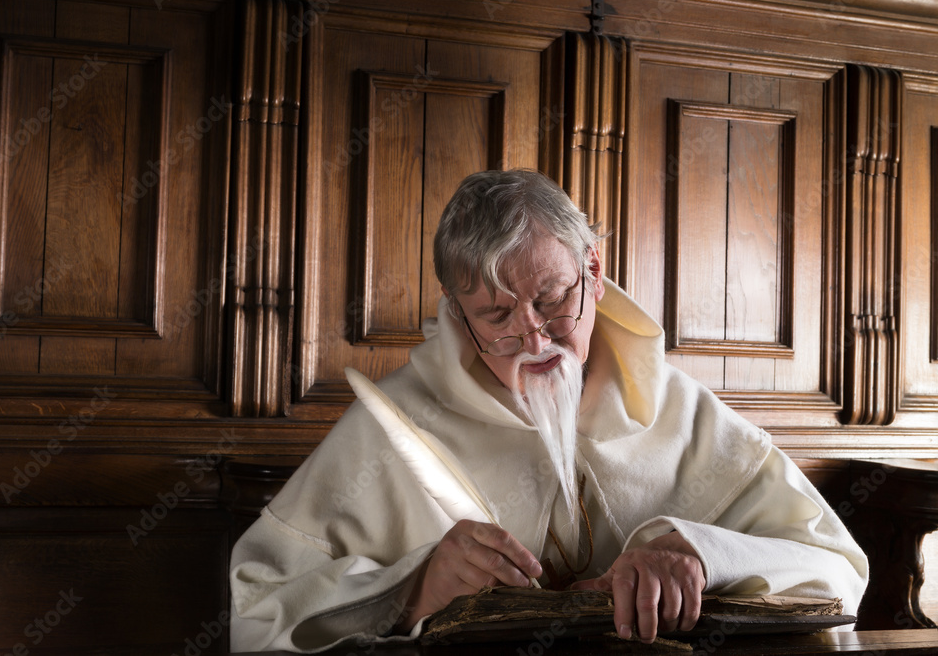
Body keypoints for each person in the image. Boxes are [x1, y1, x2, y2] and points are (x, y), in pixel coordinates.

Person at [230, 169, 868, 652]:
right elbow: (257, 608)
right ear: (457, 312)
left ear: (592, 267)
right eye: (497, 316)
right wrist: (413, 589)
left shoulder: (676, 410)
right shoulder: (393, 424)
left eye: (553, 299)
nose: (535, 340)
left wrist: (703, 554)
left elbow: (836, 571)